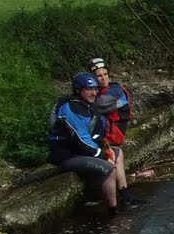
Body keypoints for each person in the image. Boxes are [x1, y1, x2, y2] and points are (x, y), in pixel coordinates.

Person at [48, 71, 123, 215]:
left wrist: (105, 147)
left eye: (95, 89)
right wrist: (102, 155)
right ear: (78, 90)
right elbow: (82, 140)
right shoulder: (71, 108)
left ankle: (124, 193)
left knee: (118, 152)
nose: (94, 93)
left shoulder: (86, 107)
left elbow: (93, 135)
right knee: (108, 168)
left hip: (79, 153)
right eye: (89, 89)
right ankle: (113, 211)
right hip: (67, 157)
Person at [88, 56, 136, 201]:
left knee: (113, 155)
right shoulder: (98, 92)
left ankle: (120, 196)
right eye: (99, 76)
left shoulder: (115, 92)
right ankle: (124, 193)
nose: (103, 78)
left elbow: (98, 106)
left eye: (105, 75)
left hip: (114, 134)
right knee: (117, 154)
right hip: (107, 133)